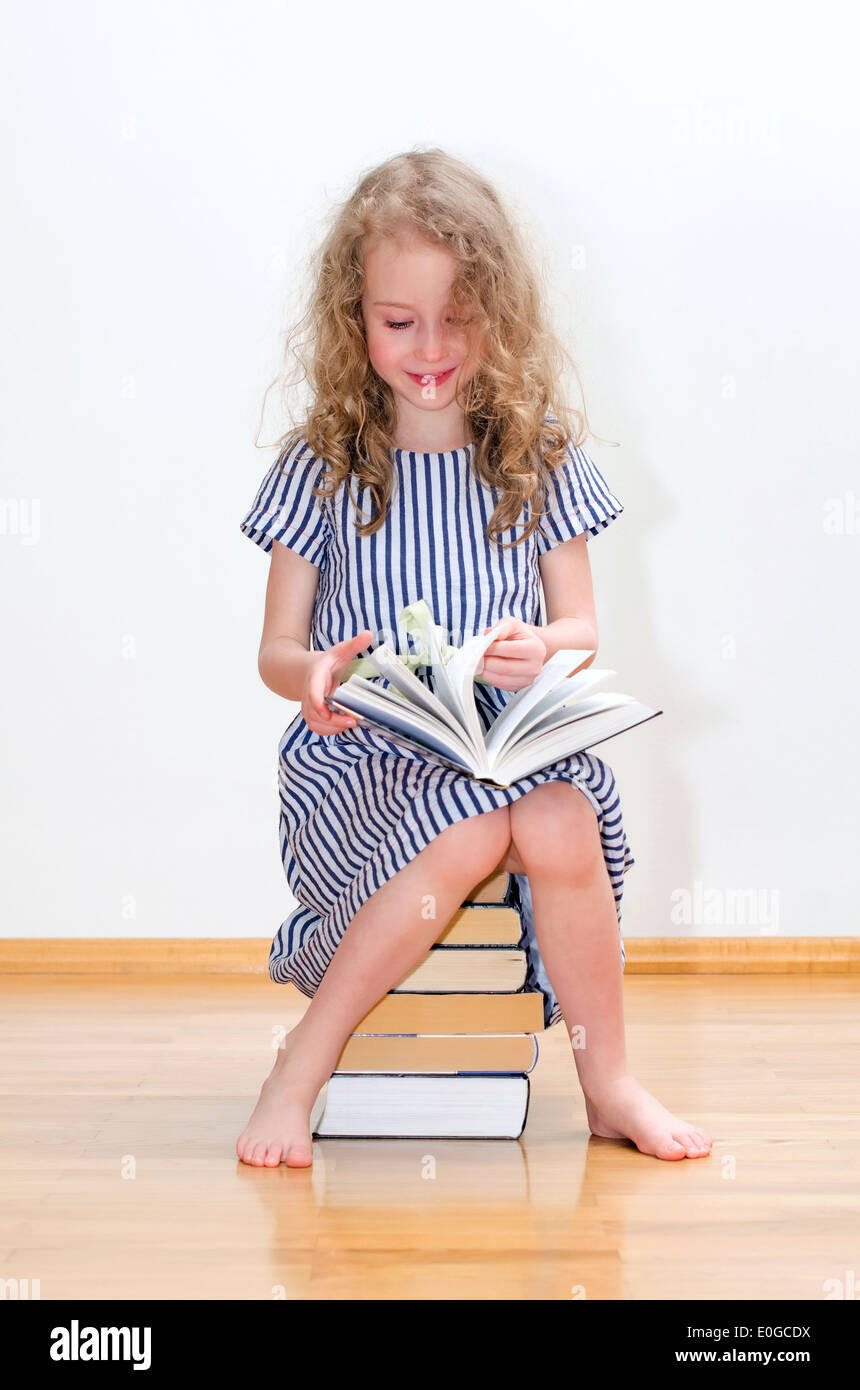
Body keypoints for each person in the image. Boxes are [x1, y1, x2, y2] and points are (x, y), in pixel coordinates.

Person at [236, 149, 713, 1167]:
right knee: (470, 829)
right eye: (398, 321)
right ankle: (301, 1065)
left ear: (497, 311)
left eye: (458, 317)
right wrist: (312, 672)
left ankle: (607, 1080)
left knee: (558, 812)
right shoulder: (320, 465)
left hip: (500, 744)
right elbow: (277, 648)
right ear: (353, 317)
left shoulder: (533, 453)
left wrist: (544, 644)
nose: (430, 347)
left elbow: (580, 631)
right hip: (365, 759)